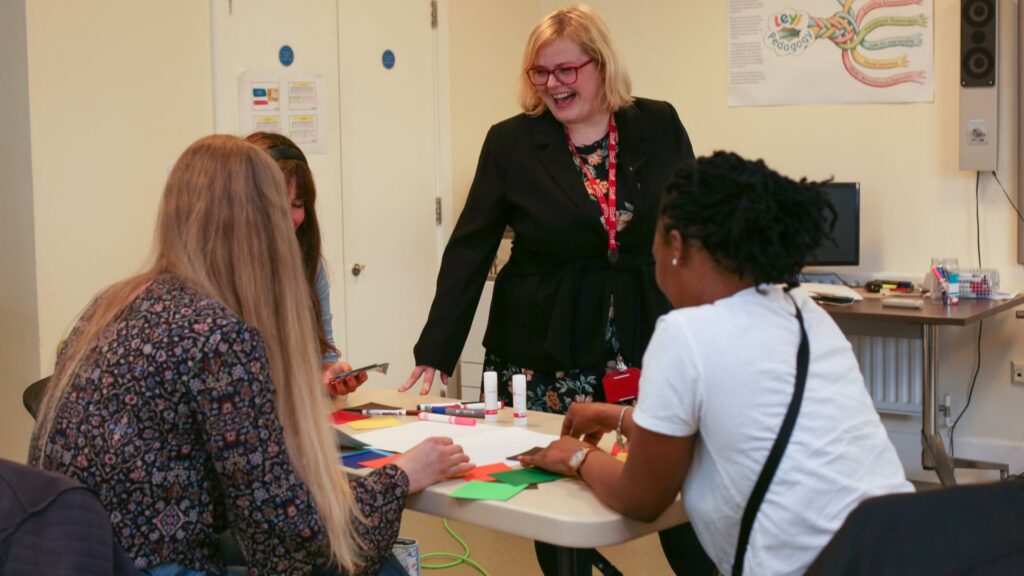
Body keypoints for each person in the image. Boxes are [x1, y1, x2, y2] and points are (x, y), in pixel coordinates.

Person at [29, 135, 473, 576]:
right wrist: (400, 477)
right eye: (281, 211)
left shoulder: (111, 303)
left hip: (77, 552)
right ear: (255, 222)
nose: (292, 225)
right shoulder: (218, 333)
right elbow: (288, 541)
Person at [520, 151, 915, 576]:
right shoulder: (804, 312)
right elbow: (732, 429)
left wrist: (576, 456)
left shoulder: (685, 333)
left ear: (675, 246)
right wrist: (614, 416)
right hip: (903, 547)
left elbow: (641, 500)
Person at [403, 4, 694, 414]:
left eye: (565, 70)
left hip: (641, 331)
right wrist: (437, 347)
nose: (552, 84)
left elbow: (694, 222)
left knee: (633, 464)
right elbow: (470, 249)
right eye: (539, 72)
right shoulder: (511, 143)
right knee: (540, 464)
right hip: (542, 345)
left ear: (602, 64)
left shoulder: (658, 123)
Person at [245, 131, 362, 397]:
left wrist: (330, 377)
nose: (289, 218)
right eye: (276, 205)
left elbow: (323, 358)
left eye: (298, 204)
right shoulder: (214, 276)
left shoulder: (310, 265)